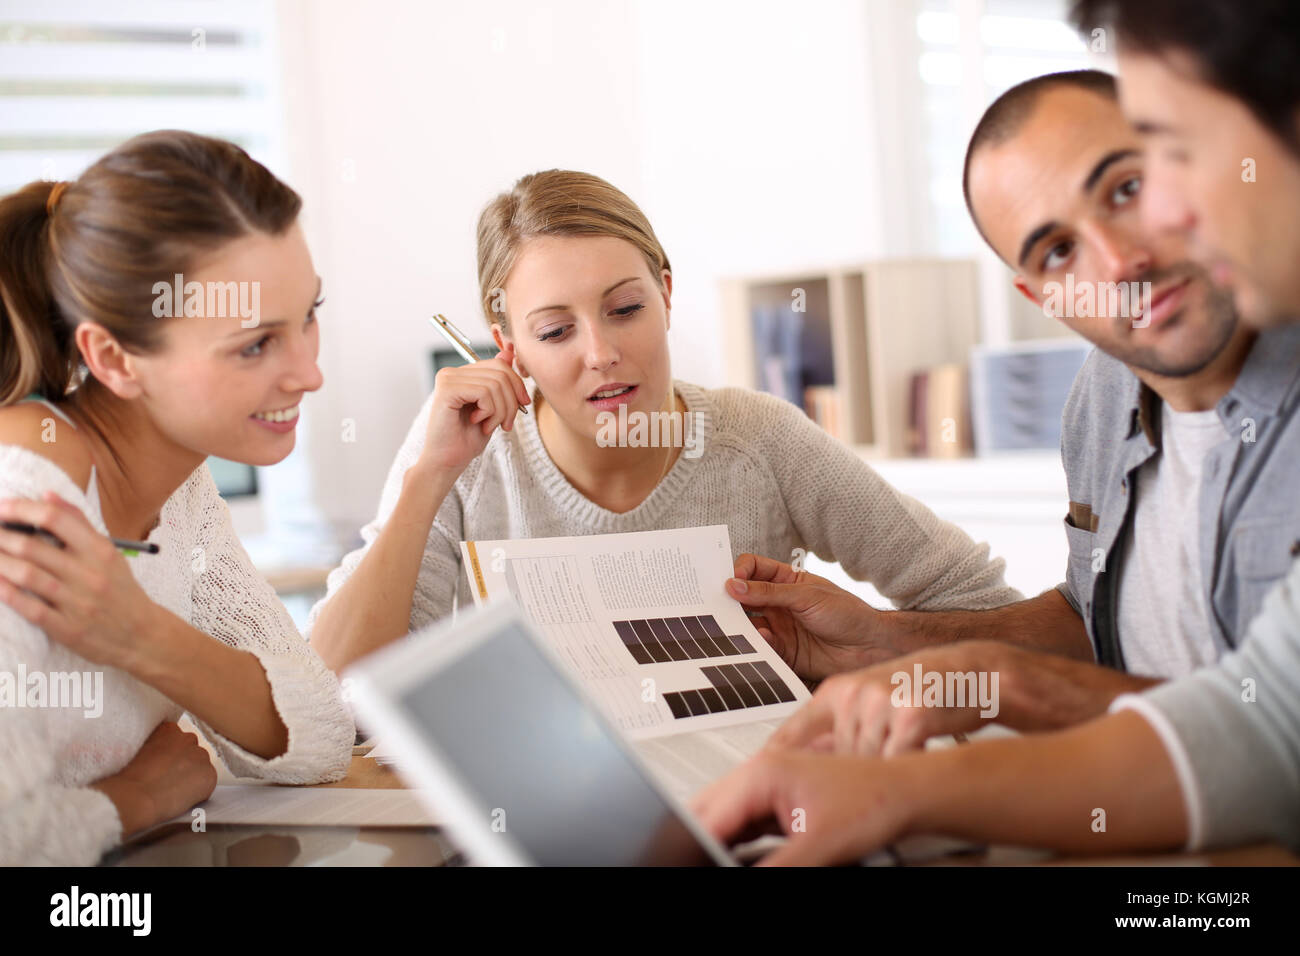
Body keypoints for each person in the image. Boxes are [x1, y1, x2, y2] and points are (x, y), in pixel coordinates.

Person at [694, 0, 1300, 863]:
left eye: (1129, 187)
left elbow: (1267, 737)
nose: (1121, 261)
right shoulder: (1100, 399)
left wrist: (987, 694)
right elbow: (1109, 625)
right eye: (1057, 252)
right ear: (1039, 296)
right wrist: (890, 643)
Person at [307, 170, 1022, 672]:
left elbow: (985, 606)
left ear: (667, 295)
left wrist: (862, 651)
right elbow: (338, 683)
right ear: (509, 347)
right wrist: (428, 481)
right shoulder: (461, 457)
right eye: (555, 332)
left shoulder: (760, 441)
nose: (603, 353)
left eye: (625, 309)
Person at [0, 131, 355, 866]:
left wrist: (140, 634)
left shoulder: (179, 487)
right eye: (256, 344)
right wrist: (144, 797)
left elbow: (318, 733)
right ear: (113, 359)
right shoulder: (22, 505)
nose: (307, 374)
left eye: (308, 317)